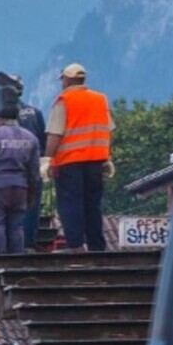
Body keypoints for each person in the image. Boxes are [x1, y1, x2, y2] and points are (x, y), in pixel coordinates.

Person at [44, 63, 115, 252]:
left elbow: (55, 134)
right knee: (93, 204)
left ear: (67, 80)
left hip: (70, 162)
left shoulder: (64, 100)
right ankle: (97, 246)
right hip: (95, 162)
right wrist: (107, 157)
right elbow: (109, 130)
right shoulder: (100, 100)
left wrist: (47, 159)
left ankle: (75, 245)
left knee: (70, 203)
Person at [0, 86, 41, 254]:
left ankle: (0, 259)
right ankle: (16, 260)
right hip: (21, 188)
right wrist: (31, 191)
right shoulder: (30, 137)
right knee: (16, 226)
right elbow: (34, 171)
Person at [0, 71, 48, 249]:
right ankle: (28, 244)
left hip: (9, 169)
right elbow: (44, 141)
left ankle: (10, 246)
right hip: (32, 167)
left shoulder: (0, 117)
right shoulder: (35, 112)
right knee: (31, 207)